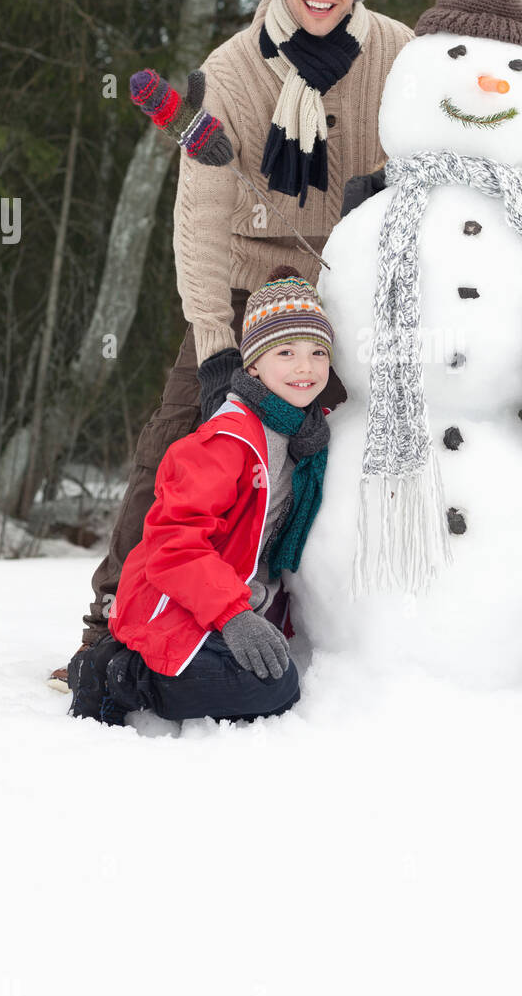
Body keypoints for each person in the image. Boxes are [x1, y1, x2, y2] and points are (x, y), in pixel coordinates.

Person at [50, 0, 413, 685]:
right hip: (249, 284)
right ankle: (112, 615)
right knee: (182, 430)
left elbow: (434, 147)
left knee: (358, 435)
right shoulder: (236, 70)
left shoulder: (397, 52)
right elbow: (202, 221)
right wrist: (215, 344)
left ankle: (346, 608)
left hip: (345, 283)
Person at [68, 270, 333, 726]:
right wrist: (234, 616)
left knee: (278, 677)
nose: (305, 368)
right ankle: (116, 674)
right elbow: (173, 545)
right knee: (274, 688)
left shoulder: (303, 436)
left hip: (224, 603)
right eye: (286, 353)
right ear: (253, 365)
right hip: (174, 602)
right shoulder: (226, 440)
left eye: (317, 353)